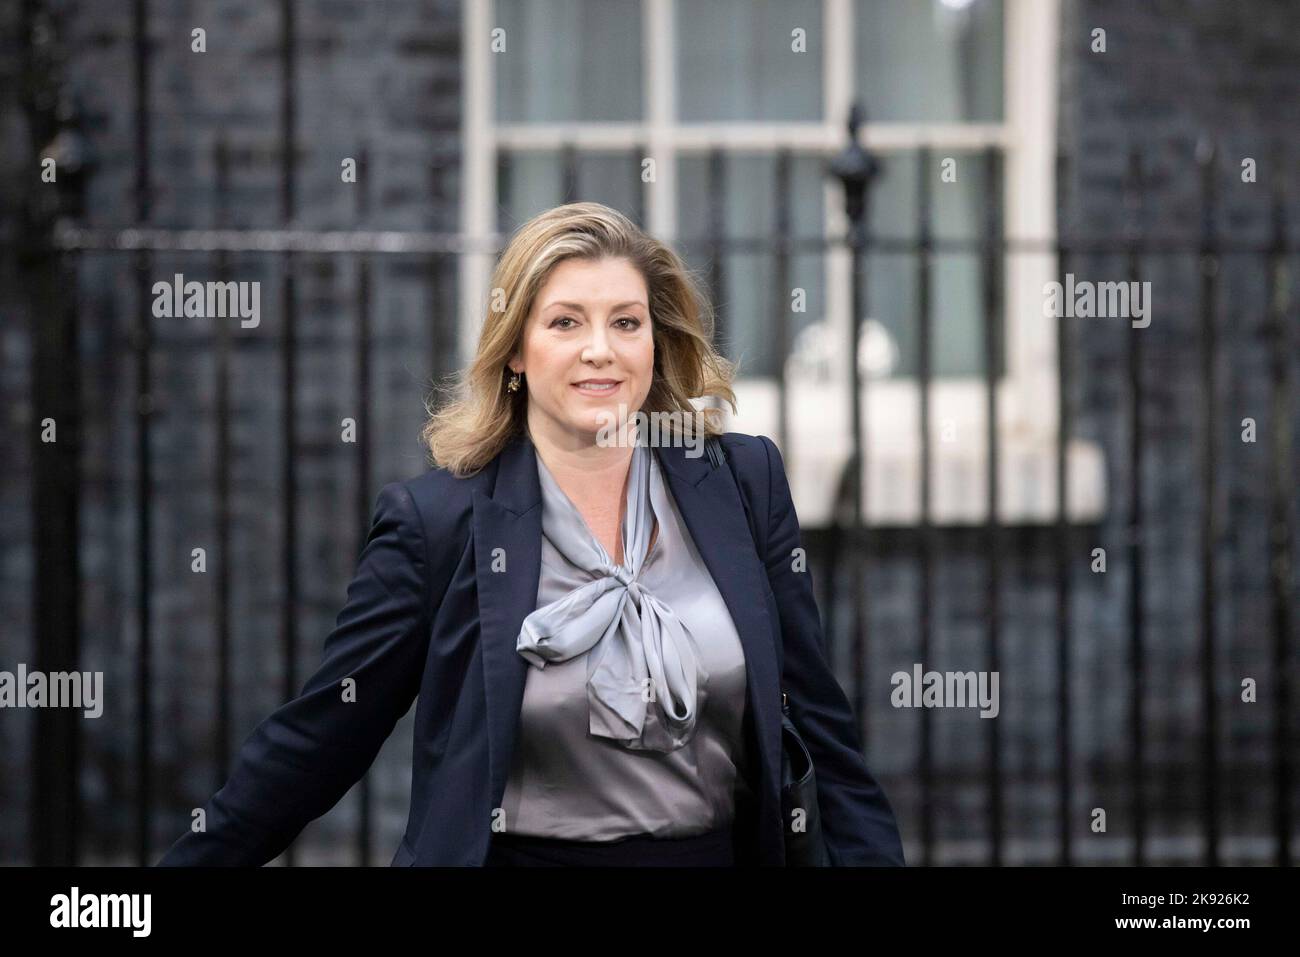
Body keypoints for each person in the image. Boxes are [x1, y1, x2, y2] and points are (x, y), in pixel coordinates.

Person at [157, 201, 904, 867]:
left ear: (654, 339)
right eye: (565, 321)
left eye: (626, 322)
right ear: (515, 349)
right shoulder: (439, 523)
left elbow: (820, 727)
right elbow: (321, 738)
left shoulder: (742, 483)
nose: (600, 350)